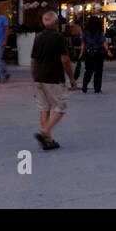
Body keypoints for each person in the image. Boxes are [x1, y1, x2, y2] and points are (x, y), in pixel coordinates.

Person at [30, 12, 75, 150]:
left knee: (45, 108)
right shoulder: (59, 37)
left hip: (39, 77)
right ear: (56, 23)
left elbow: (33, 60)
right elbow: (65, 60)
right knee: (60, 107)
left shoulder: (38, 37)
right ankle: (45, 132)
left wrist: (34, 77)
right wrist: (71, 78)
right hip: (53, 77)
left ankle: (48, 141)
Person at [78, 14, 112, 94]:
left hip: (88, 53)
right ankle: (97, 88)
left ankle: (84, 86)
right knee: (98, 71)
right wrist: (108, 51)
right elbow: (104, 43)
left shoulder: (85, 32)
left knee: (88, 70)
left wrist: (81, 53)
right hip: (98, 53)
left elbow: (83, 44)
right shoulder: (100, 32)